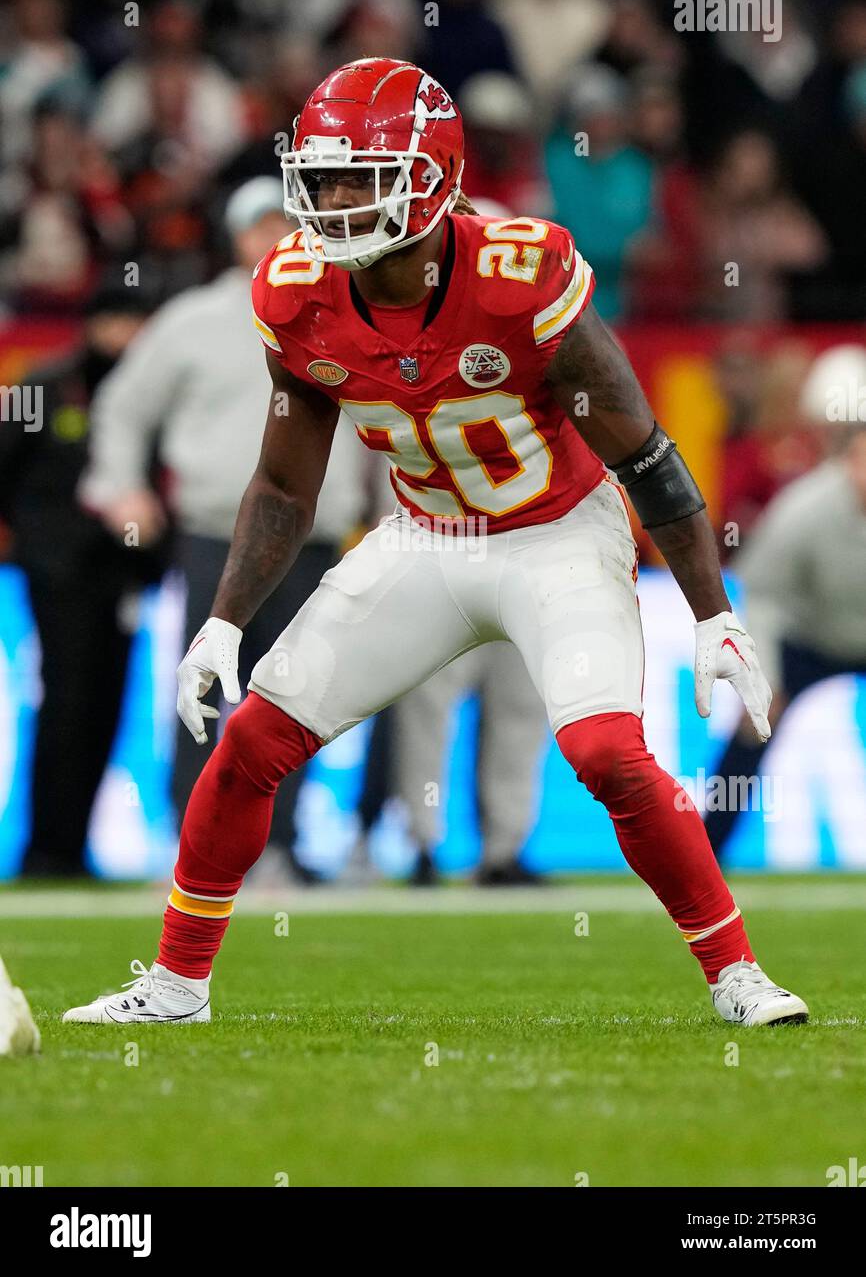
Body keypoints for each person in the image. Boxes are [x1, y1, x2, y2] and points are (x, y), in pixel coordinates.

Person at [64, 58, 806, 1029]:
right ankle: (174, 985)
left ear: (430, 175)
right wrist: (220, 624)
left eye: (358, 175)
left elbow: (647, 454)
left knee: (606, 754)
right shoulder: (296, 293)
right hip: (422, 534)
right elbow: (285, 482)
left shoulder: (520, 275)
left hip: (554, 535)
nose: (332, 200)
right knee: (250, 743)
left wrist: (712, 610)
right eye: (321, 177)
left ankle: (735, 974)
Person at [80, 177, 368, 882]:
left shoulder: (351, 307)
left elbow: (385, 421)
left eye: (283, 223)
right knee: (205, 687)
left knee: (300, 695)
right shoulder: (194, 319)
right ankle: (193, 846)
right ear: (236, 238)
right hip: (219, 533)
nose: (271, 238)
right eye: (258, 225)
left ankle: (281, 846)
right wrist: (121, 487)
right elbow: (122, 405)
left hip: (320, 536)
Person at [0, 284, 162, 877]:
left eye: (134, 321)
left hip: (123, 574)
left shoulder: (147, 391)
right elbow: (4, 464)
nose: (124, 334)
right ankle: (45, 848)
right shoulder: (44, 384)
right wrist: (39, 543)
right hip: (60, 574)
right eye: (115, 319)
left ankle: (75, 846)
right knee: (64, 702)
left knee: (107, 705)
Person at [704, 345, 866, 857]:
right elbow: (767, 595)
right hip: (808, 637)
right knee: (753, 723)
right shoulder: (804, 509)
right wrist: (766, 677)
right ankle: (706, 854)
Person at [395, 643, 548, 887]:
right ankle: (422, 847)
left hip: (522, 614)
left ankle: (503, 854)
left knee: (518, 717)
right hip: (442, 608)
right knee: (426, 717)